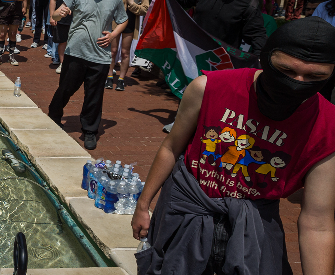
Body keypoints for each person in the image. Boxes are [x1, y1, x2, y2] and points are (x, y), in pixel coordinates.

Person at [131, 18, 335, 275]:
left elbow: (318, 222)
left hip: (254, 228)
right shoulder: (209, 89)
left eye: (315, 76)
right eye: (285, 70)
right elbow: (171, 147)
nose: (297, 82)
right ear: (265, 58)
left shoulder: (328, 126)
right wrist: (143, 204)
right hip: (187, 214)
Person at [48, 0, 128, 149]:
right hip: (75, 52)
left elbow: (123, 20)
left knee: (94, 95)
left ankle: (90, 131)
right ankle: (54, 116)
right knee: (65, 89)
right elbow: (56, 16)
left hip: (100, 55)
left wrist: (114, 34)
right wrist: (60, 13)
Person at [106, 0, 149, 91]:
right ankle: (109, 76)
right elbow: (107, 1)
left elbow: (145, 9)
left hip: (130, 22)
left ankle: (121, 79)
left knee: (125, 52)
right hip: (115, 22)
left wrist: (132, 4)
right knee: (112, 51)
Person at [49, 0, 86, 71]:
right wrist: (52, 16)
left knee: (77, 42)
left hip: (78, 18)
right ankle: (62, 63)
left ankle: (75, 64)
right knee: (63, 41)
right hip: (62, 17)